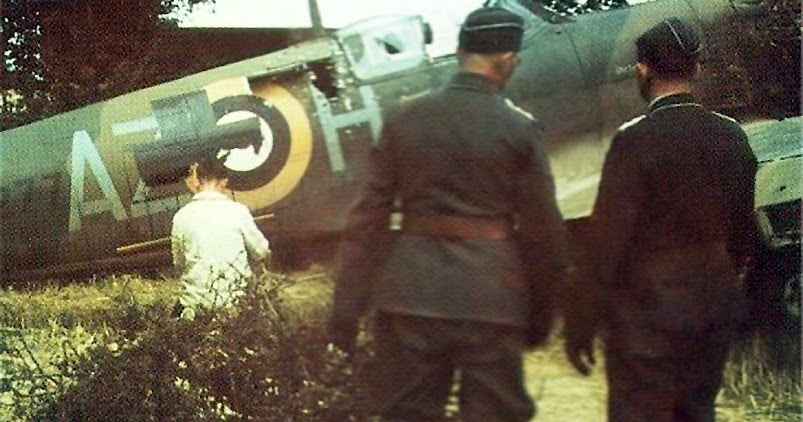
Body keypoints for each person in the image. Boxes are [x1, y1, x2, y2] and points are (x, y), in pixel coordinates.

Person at [328, 6, 571, 421]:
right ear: (508, 60)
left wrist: (346, 310)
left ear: (460, 52)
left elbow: (366, 220)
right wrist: (540, 314)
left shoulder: (405, 118)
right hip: (492, 300)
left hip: (410, 298)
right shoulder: (519, 128)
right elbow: (543, 233)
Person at [564, 18, 764, 422]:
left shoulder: (632, 140)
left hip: (647, 311)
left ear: (643, 70)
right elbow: (742, 229)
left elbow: (605, 243)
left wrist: (581, 321)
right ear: (697, 69)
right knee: (696, 410)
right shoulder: (732, 135)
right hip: (712, 301)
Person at [171, 156, 271, 319]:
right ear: (224, 182)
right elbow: (262, 252)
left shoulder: (181, 217)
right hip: (236, 303)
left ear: (199, 181)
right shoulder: (238, 211)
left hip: (196, 306)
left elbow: (179, 265)